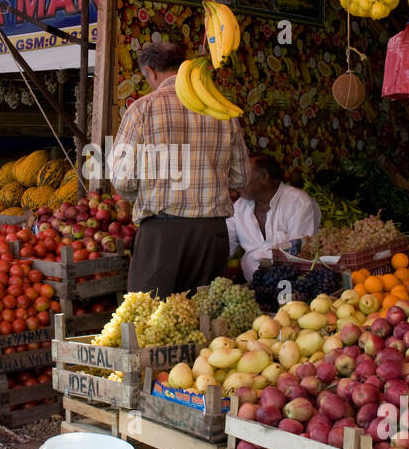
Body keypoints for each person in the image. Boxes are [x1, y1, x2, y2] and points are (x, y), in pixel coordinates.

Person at [111, 41, 248, 297]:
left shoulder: (142, 108)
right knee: (202, 322)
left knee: (150, 322)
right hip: (211, 235)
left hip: (162, 234)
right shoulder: (222, 110)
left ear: (150, 71)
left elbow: (122, 179)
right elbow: (241, 176)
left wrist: (142, 191)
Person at [227, 154, 322, 282]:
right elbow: (225, 245)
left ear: (264, 177)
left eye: (242, 178)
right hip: (252, 286)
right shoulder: (239, 207)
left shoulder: (298, 203)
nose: (237, 184)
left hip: (291, 286)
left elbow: (302, 253)